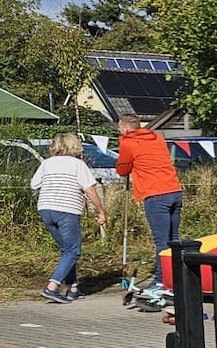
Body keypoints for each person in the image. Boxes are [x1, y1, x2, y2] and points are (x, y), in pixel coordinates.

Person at [30, 131, 107, 303]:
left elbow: (34, 184)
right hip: (67, 209)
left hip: (46, 209)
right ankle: (52, 286)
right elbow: (90, 190)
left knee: (66, 250)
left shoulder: (47, 164)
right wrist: (101, 210)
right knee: (73, 251)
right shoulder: (77, 164)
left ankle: (73, 287)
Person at [113, 112, 184, 264]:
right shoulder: (157, 138)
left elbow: (122, 170)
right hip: (174, 189)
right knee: (174, 238)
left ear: (125, 128)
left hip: (155, 193)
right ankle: (177, 277)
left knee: (162, 241)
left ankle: (161, 280)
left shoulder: (128, 142)